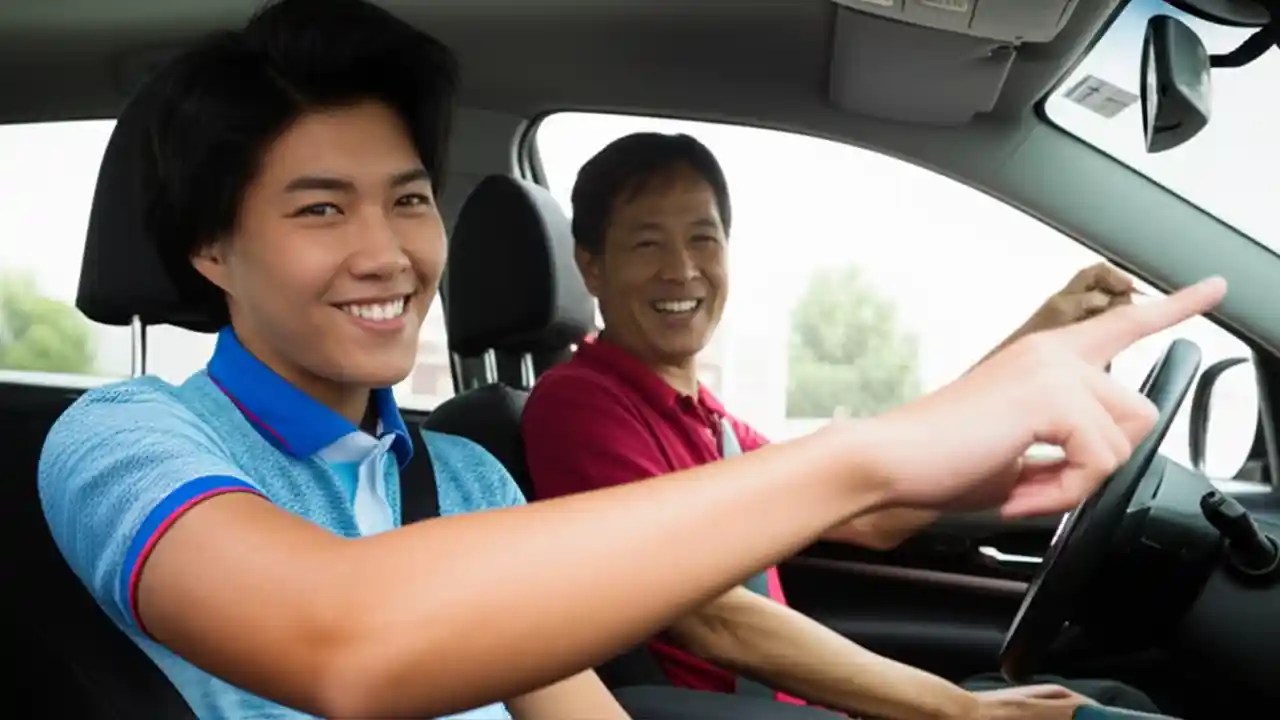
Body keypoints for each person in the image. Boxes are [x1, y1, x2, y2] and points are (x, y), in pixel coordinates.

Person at [36, 1, 1225, 718]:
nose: (385, 251)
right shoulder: (128, 439)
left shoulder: (465, 484)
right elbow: (344, 644)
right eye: (316, 210)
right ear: (209, 249)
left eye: (406, 198)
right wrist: (868, 459)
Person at [522, 132, 1162, 718]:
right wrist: (963, 712)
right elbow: (707, 618)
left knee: (1110, 697)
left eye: (702, 238)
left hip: (791, 707)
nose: (682, 270)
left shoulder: (710, 423)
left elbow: (876, 506)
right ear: (593, 267)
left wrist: (1037, 342)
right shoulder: (580, 406)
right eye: (646, 243)